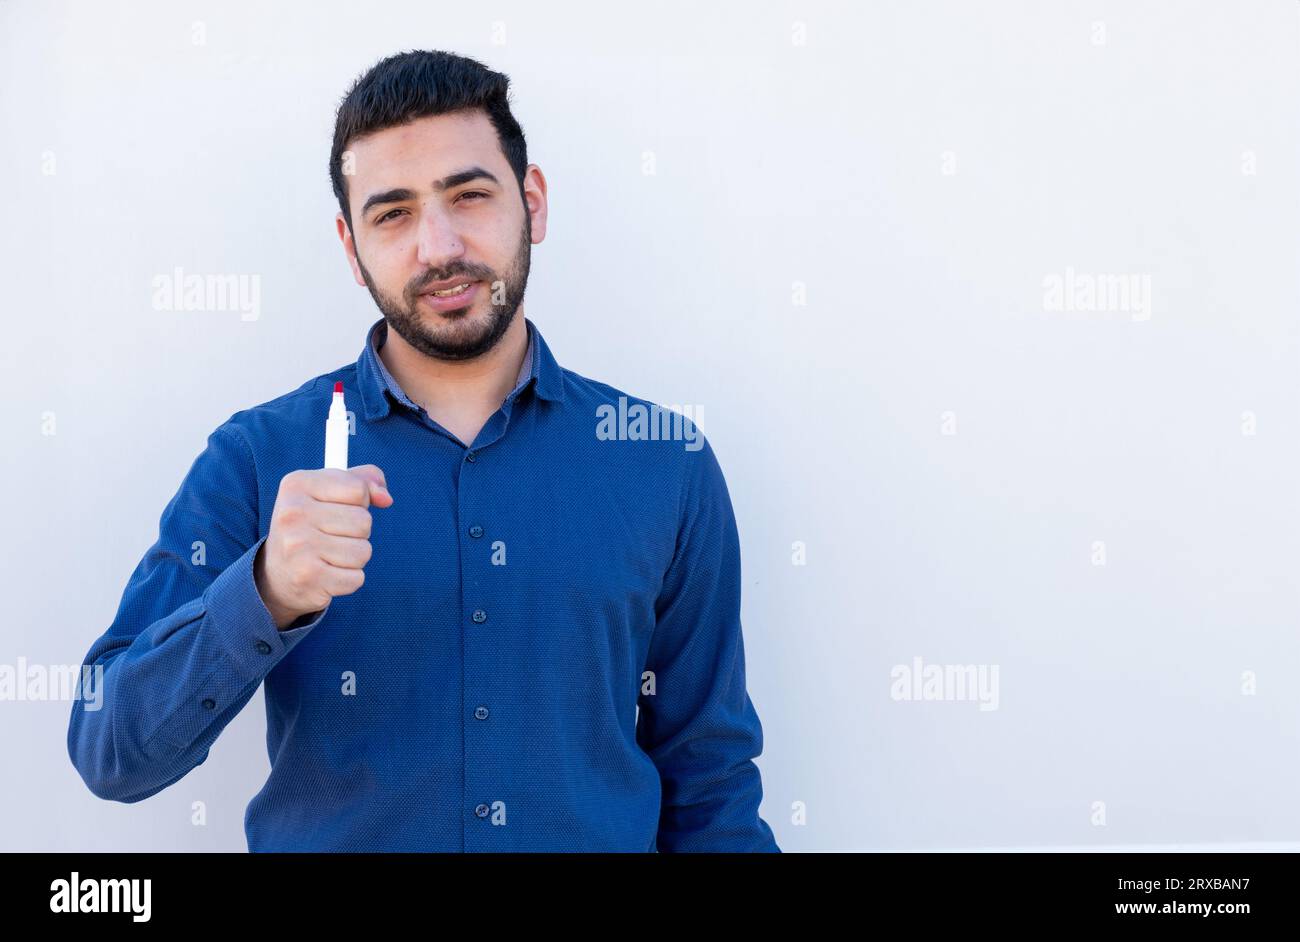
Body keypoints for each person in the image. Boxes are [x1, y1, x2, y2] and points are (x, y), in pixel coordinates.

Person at [67, 49, 779, 853]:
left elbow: (710, 783)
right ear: (351, 245)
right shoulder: (257, 459)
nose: (438, 247)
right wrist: (264, 591)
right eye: (393, 213)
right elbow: (110, 753)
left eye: (469, 195)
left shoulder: (664, 463)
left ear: (532, 203)